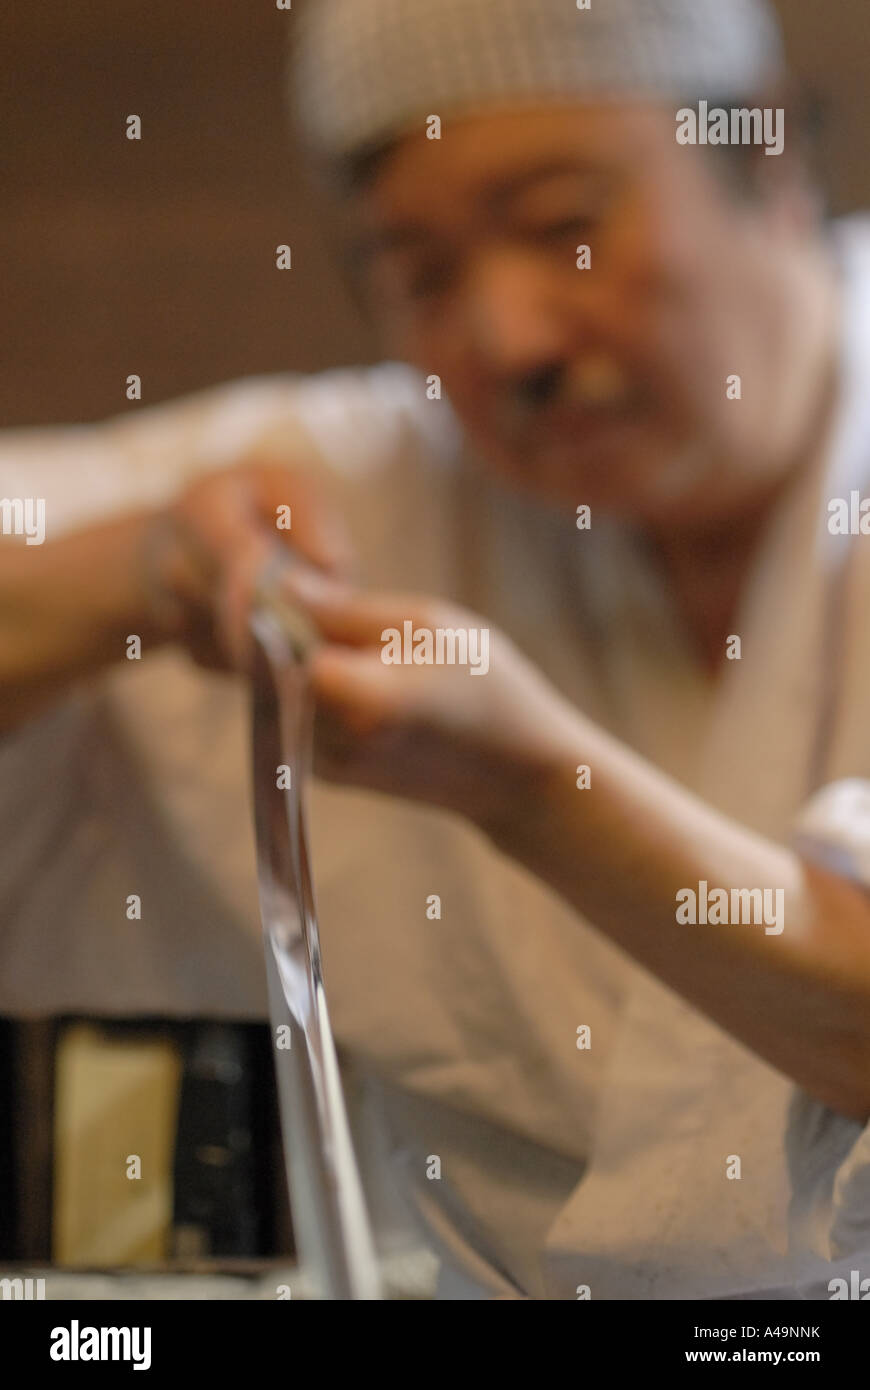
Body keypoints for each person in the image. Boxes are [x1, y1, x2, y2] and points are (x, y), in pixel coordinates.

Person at [2, 0, 870, 1299]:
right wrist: (146, 572)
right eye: (420, 274)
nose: (510, 340)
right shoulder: (387, 480)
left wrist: (533, 789)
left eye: (566, 228)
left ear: (767, 158)